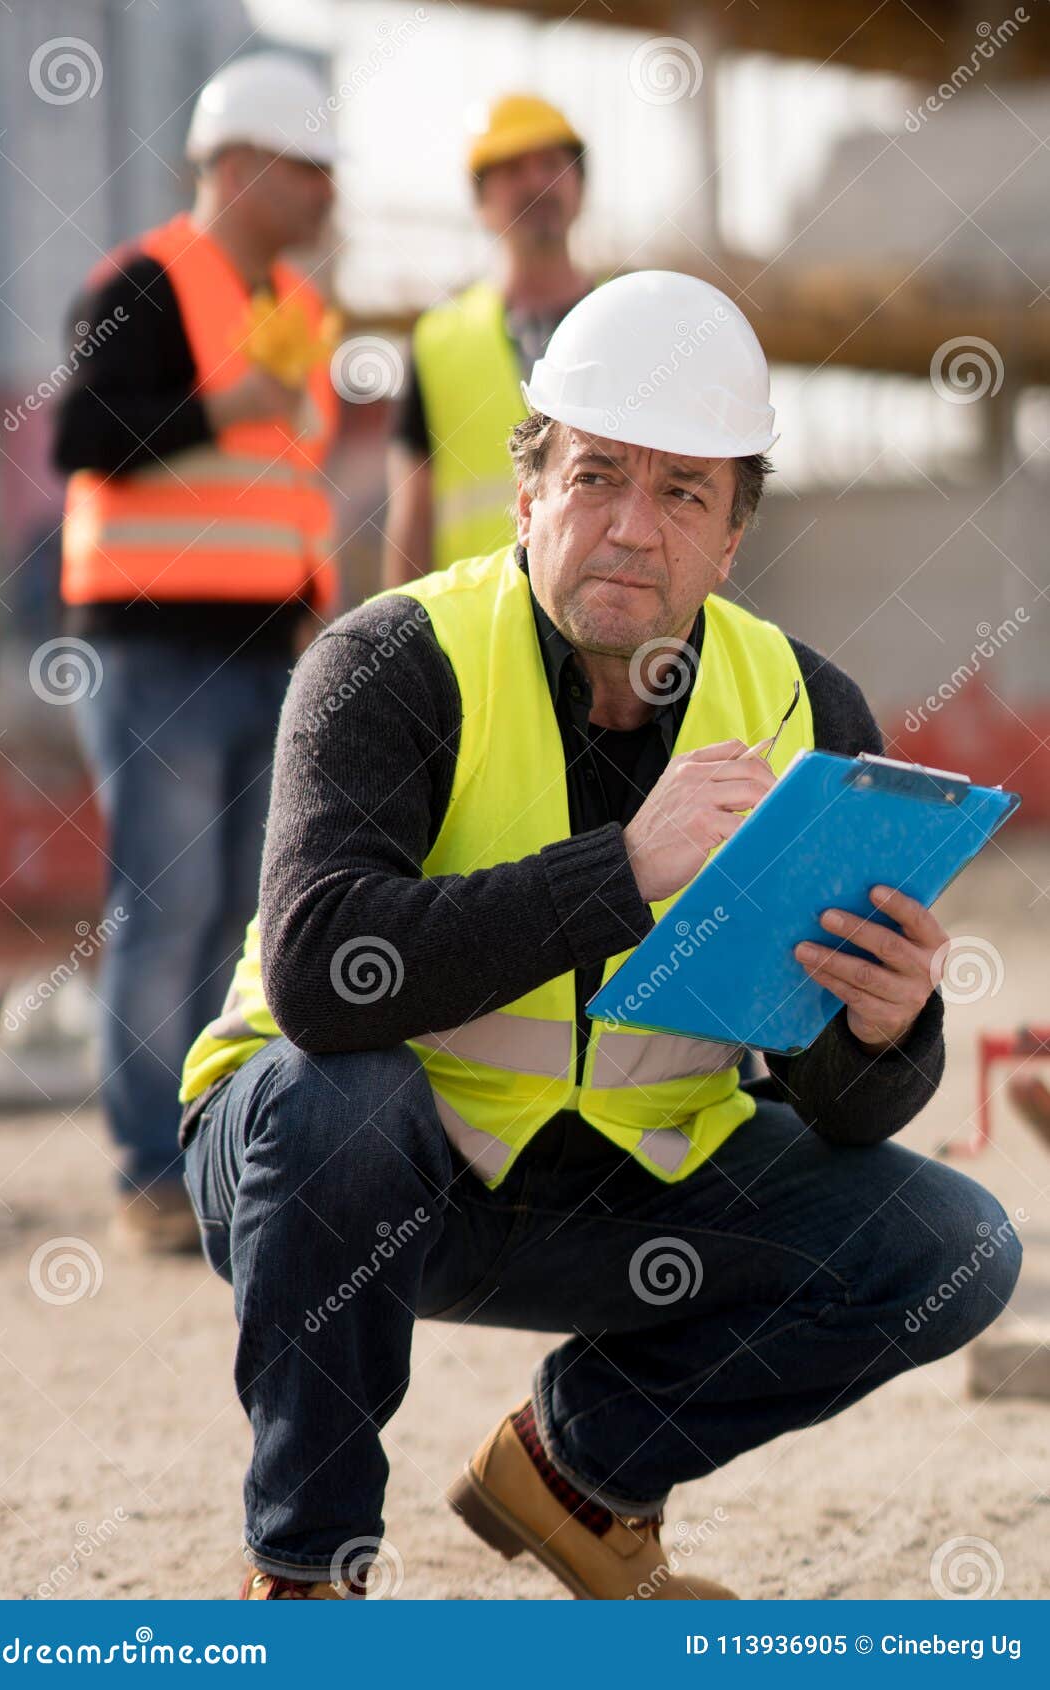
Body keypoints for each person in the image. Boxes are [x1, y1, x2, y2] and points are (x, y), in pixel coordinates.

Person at [178, 272, 1022, 1601]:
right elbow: (323, 972)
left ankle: (576, 1472)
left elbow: (844, 1112)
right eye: (595, 476)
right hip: (343, 1176)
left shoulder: (802, 712)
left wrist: (885, 1026)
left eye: (681, 492)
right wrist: (620, 871)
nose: (630, 527)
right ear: (528, 495)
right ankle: (306, 1567)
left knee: (955, 1246)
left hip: (617, 1187)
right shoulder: (391, 661)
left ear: (731, 537)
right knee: (339, 1099)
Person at [51, 53, 341, 1253]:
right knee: (167, 910)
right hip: (156, 649)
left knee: (241, 913)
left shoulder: (297, 311)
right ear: (242, 166)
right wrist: (227, 406)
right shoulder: (145, 285)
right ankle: (150, 1174)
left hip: (269, 649)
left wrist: (319, 613)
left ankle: (214, 1153)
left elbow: (289, 486)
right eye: (309, 170)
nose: (326, 194)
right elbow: (78, 434)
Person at [382, 94, 593, 584]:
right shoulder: (438, 341)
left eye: (550, 164)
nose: (536, 182)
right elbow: (412, 515)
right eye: (513, 170)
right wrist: (397, 626)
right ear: (480, 202)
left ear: (580, 185)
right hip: (476, 615)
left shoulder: (631, 324)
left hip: (608, 612)